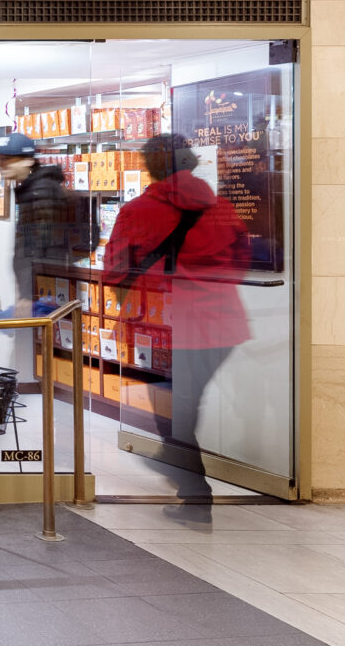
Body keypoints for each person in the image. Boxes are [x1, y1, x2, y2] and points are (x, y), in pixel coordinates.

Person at [103, 133, 250, 488]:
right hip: (222, 324)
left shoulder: (137, 212)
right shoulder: (222, 208)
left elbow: (113, 271)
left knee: (175, 409)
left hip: (165, 325)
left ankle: (194, 492)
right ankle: (180, 467)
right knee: (184, 404)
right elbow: (241, 262)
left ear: (150, 167)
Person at [0, 131, 91, 315]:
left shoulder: (40, 192)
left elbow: (36, 249)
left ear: (27, 161)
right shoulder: (32, 191)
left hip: (47, 292)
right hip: (46, 289)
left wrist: (29, 296)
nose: (1, 166)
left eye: (7, 160)